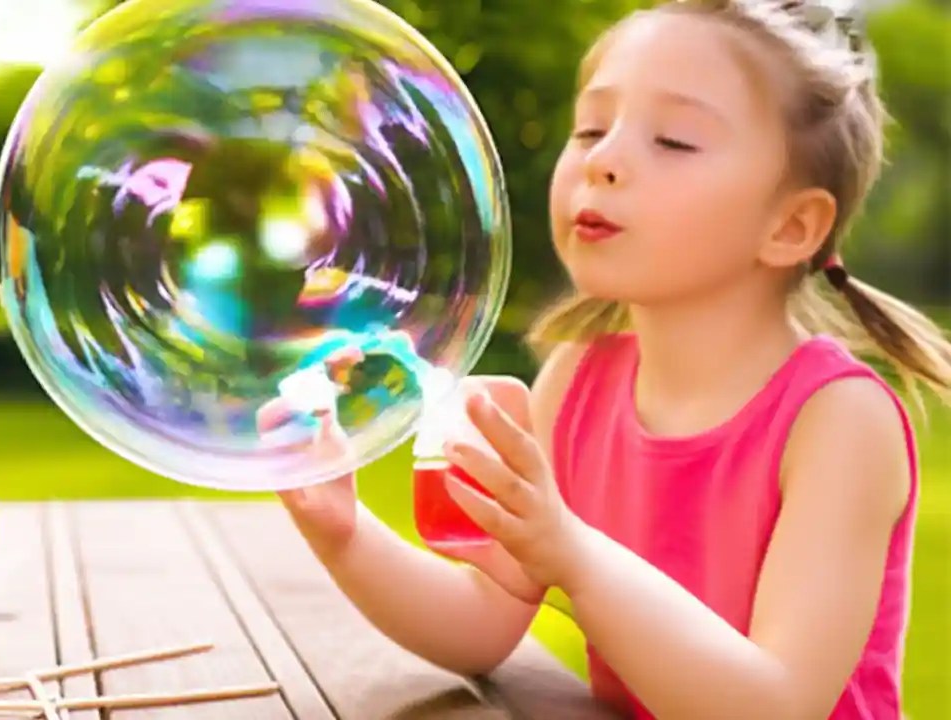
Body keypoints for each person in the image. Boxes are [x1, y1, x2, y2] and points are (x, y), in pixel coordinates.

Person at [261, 1, 951, 718]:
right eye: (591, 127)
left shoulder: (839, 420)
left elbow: (774, 705)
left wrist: (573, 554)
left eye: (675, 141)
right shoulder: (577, 380)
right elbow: (480, 626)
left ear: (790, 225)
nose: (603, 159)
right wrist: (342, 531)